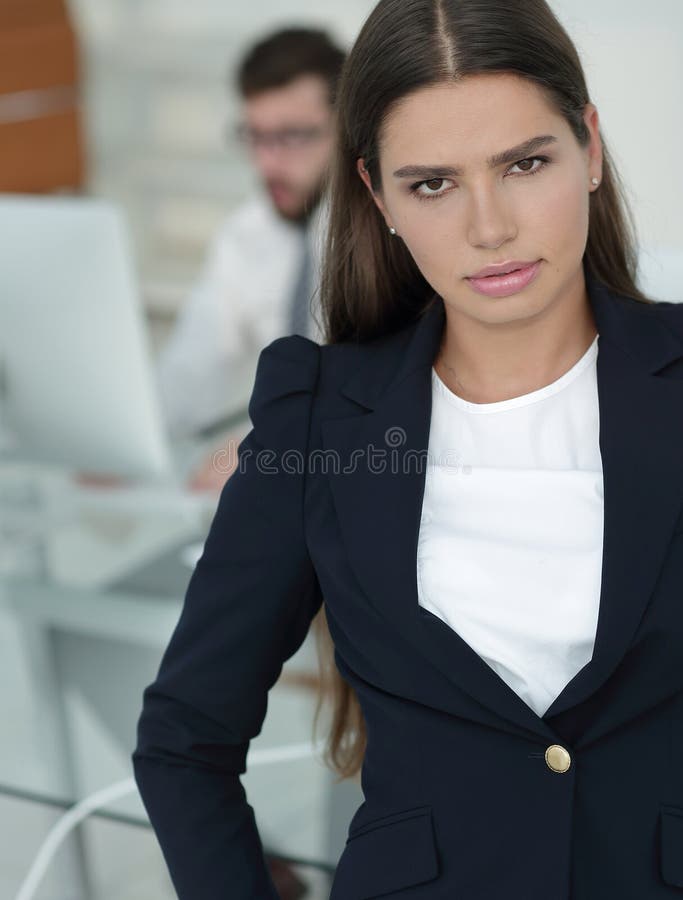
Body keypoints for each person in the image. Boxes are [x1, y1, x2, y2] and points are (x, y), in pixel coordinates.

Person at [133, 1, 683, 897]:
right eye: (432, 183)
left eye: (524, 163)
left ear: (587, 146)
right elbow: (183, 741)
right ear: (377, 194)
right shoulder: (318, 420)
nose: (489, 226)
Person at [157, 27, 345, 489]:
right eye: (255, 137)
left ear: (349, 125)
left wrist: (260, 448)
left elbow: (360, 391)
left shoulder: (388, 234)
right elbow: (191, 366)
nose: (267, 163)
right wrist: (134, 439)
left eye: (292, 137)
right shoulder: (248, 232)